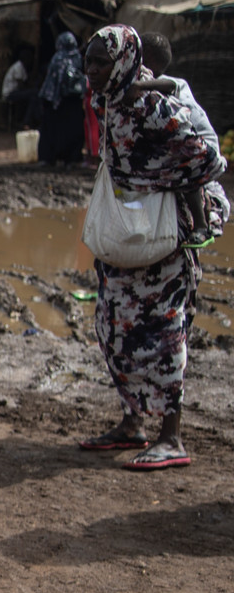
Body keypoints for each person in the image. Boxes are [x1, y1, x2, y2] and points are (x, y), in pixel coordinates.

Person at [78, 24, 229, 470]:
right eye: (89, 62)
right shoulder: (106, 101)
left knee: (164, 336)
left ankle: (172, 435)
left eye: (100, 62)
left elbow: (209, 160)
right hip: (127, 239)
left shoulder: (156, 109)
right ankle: (132, 423)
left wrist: (159, 177)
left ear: (123, 61)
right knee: (113, 329)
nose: (91, 71)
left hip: (164, 245)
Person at [140, 31, 215, 245]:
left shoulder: (169, 83)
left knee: (184, 169)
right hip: (186, 139)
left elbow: (169, 90)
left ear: (146, 59)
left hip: (203, 144)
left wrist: (137, 86)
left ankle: (201, 225)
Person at [27, 32, 86, 168]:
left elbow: (51, 83)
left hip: (55, 102)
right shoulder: (77, 58)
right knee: (73, 131)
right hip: (73, 101)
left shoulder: (57, 58)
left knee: (51, 131)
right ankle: (70, 159)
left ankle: (49, 158)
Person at [2, 46, 37, 123]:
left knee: (33, 97)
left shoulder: (22, 67)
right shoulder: (18, 67)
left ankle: (27, 120)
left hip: (16, 92)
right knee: (34, 94)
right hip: (10, 94)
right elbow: (21, 85)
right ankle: (26, 121)